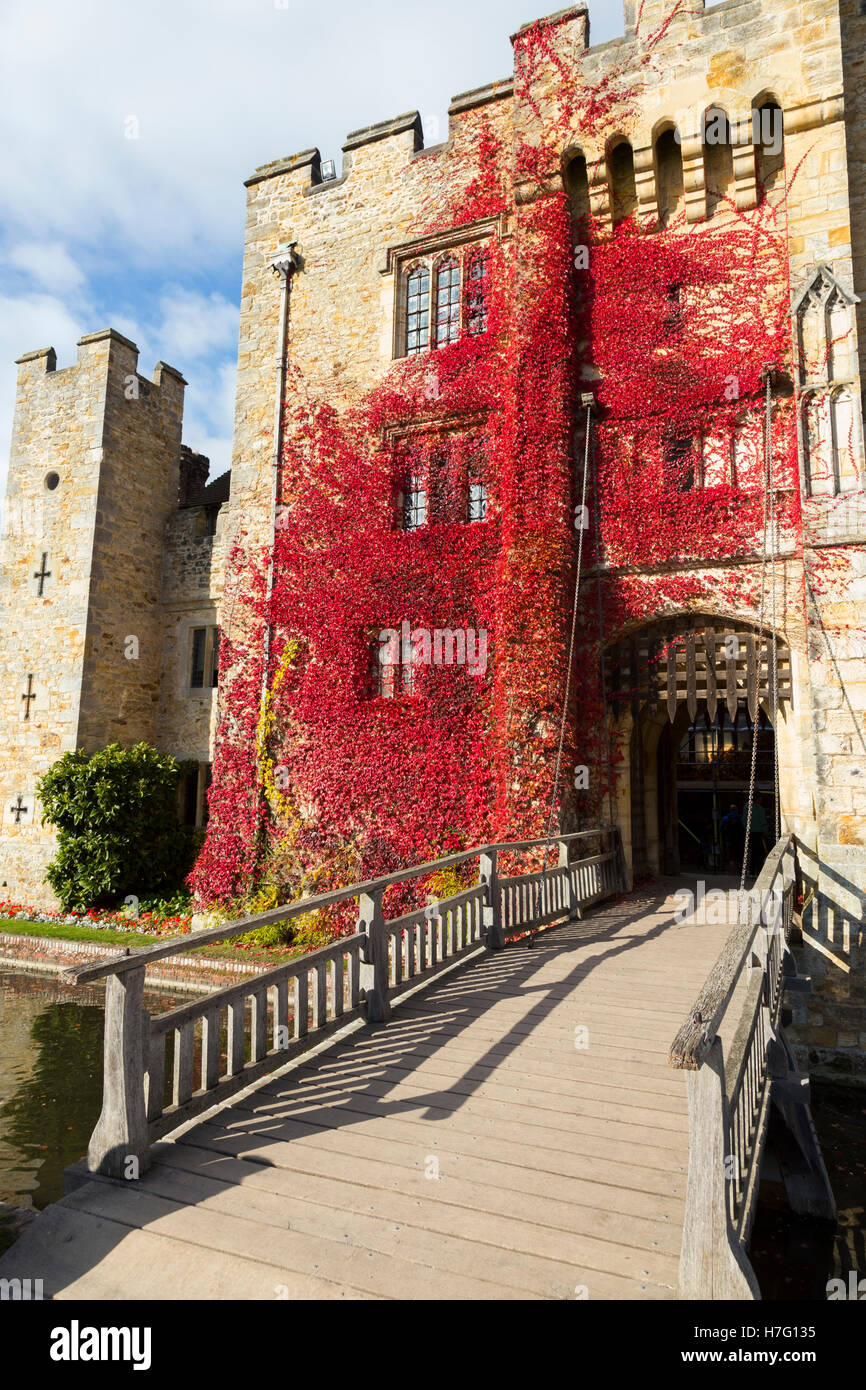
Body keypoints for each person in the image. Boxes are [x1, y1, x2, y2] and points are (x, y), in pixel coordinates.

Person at [746, 793, 769, 876]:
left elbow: (744, 821)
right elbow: (763, 823)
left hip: (749, 833)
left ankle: (751, 871)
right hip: (758, 834)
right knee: (760, 853)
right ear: (758, 799)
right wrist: (766, 833)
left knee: (751, 852)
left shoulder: (746, 807)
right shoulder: (760, 809)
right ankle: (759, 871)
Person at [721, 803, 745, 875]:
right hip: (739, 840)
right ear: (737, 810)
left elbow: (721, 829)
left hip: (729, 840)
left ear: (730, 810)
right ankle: (740, 872)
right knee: (740, 856)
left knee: (731, 856)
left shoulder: (725, 818)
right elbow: (744, 827)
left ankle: (732, 872)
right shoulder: (740, 817)